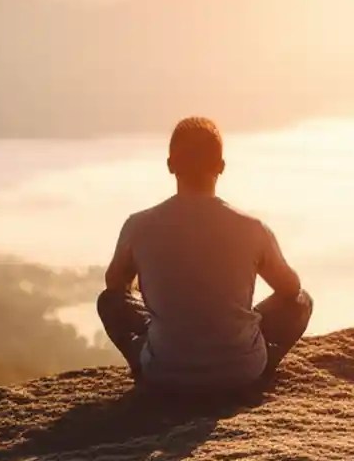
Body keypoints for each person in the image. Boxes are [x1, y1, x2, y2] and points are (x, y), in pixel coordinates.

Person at [97, 116, 313, 391]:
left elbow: (114, 287)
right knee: (302, 302)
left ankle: (145, 368)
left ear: (170, 165)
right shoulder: (252, 228)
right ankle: (258, 368)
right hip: (240, 371)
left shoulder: (138, 226)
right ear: (221, 167)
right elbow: (291, 289)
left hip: (164, 372)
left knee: (109, 303)